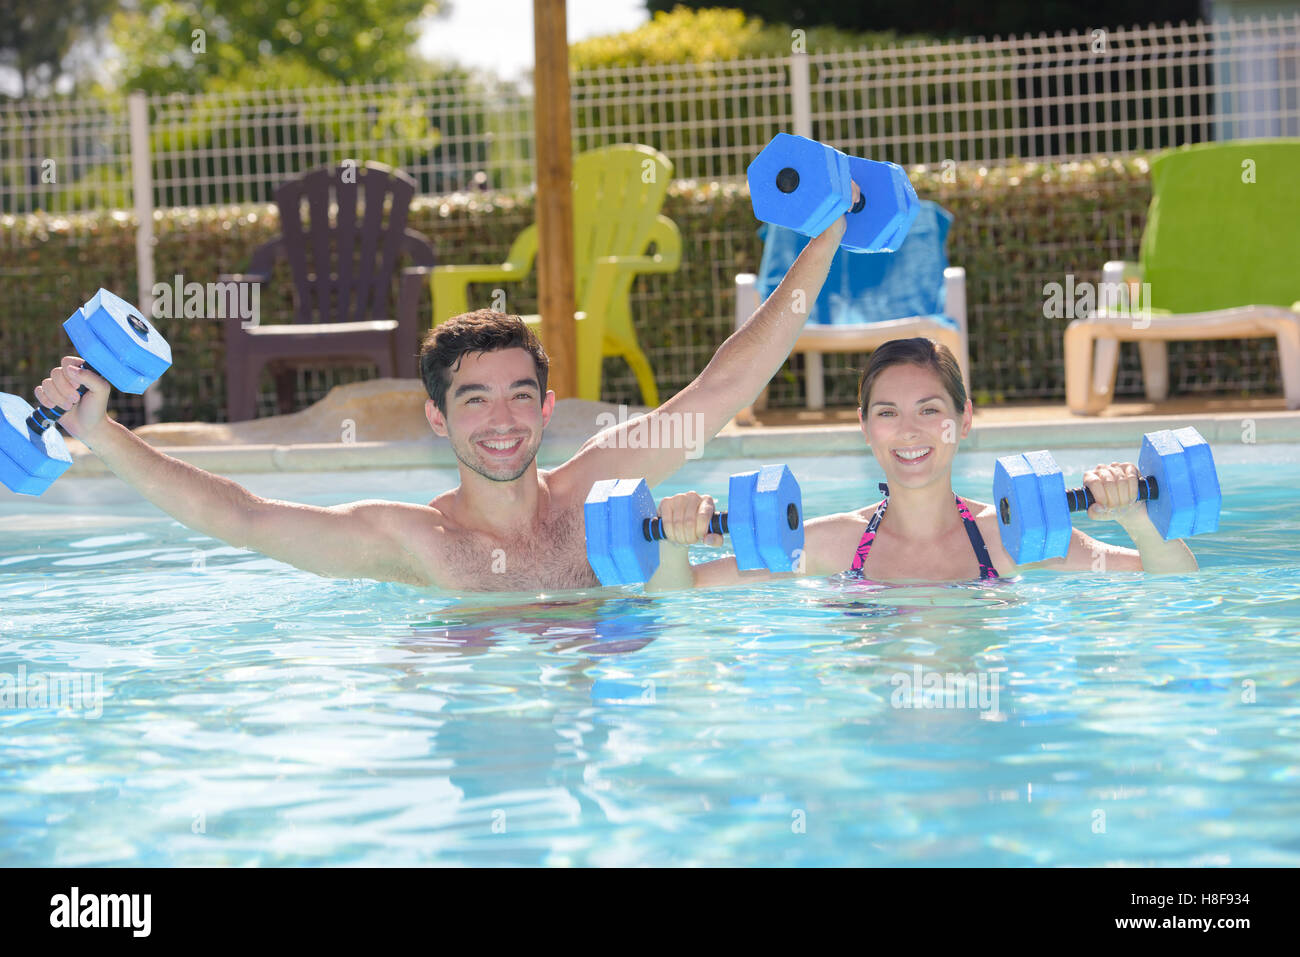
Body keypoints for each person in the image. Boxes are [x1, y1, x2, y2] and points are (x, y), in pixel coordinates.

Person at [34, 186, 860, 592]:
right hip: (464, 706)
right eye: (474, 399)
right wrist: (101, 433)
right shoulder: (411, 540)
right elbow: (243, 517)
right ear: (437, 415)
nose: (501, 420)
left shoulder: (600, 484)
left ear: (545, 403)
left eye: (518, 395)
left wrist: (825, 240)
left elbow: (725, 386)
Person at [646, 337, 1199, 591]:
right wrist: (673, 541)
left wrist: (1136, 517)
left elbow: (1174, 583)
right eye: (887, 412)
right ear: (864, 426)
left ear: (964, 419)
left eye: (929, 410)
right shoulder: (830, 545)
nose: (908, 430)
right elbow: (683, 593)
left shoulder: (1014, 538)